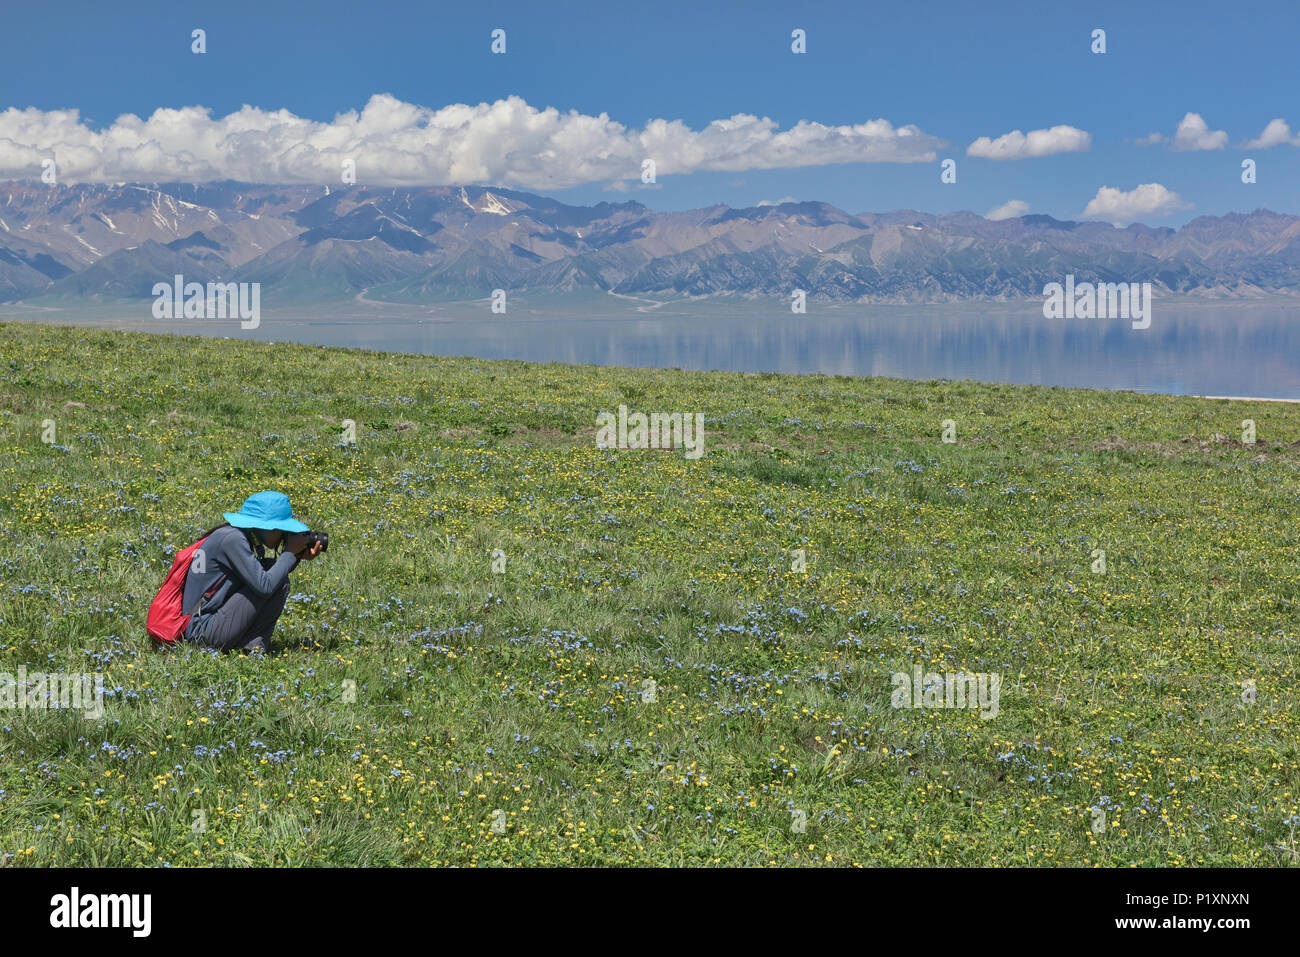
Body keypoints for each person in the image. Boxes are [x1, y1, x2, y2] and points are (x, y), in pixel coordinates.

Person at [182, 491, 324, 653]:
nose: (285, 535)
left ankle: (249, 649)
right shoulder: (233, 540)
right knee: (273, 576)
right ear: (265, 527)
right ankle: (251, 648)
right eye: (282, 529)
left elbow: (267, 580)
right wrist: (289, 553)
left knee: (271, 568)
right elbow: (266, 585)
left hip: (206, 626)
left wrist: (296, 557)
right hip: (201, 632)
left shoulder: (232, 535)